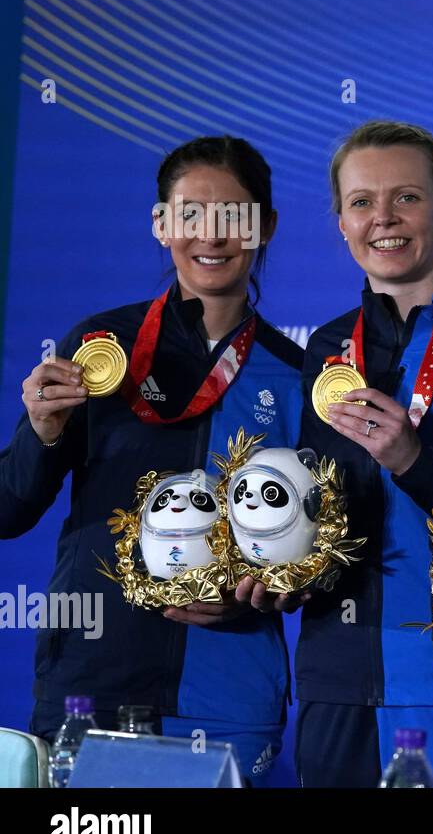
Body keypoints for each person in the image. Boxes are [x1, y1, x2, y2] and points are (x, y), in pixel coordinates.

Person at [0, 136, 304, 783]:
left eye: (236, 216)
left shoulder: (298, 376)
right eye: (190, 214)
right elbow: (8, 506)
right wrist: (42, 431)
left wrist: (258, 596)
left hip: (228, 698)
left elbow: (318, 556)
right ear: (161, 225)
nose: (213, 235)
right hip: (92, 685)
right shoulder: (98, 347)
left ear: (266, 227)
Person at [294, 120, 433, 788]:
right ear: (339, 221)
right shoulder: (325, 350)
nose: (382, 219)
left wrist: (415, 462)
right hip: (335, 677)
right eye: (361, 202)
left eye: (408, 198)